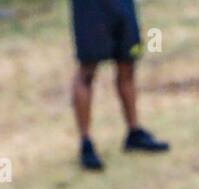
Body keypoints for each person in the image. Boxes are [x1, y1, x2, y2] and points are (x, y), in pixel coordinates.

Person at [69, 0, 167, 171]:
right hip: (90, 7)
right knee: (88, 69)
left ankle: (134, 132)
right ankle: (86, 142)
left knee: (127, 62)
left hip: (122, 5)